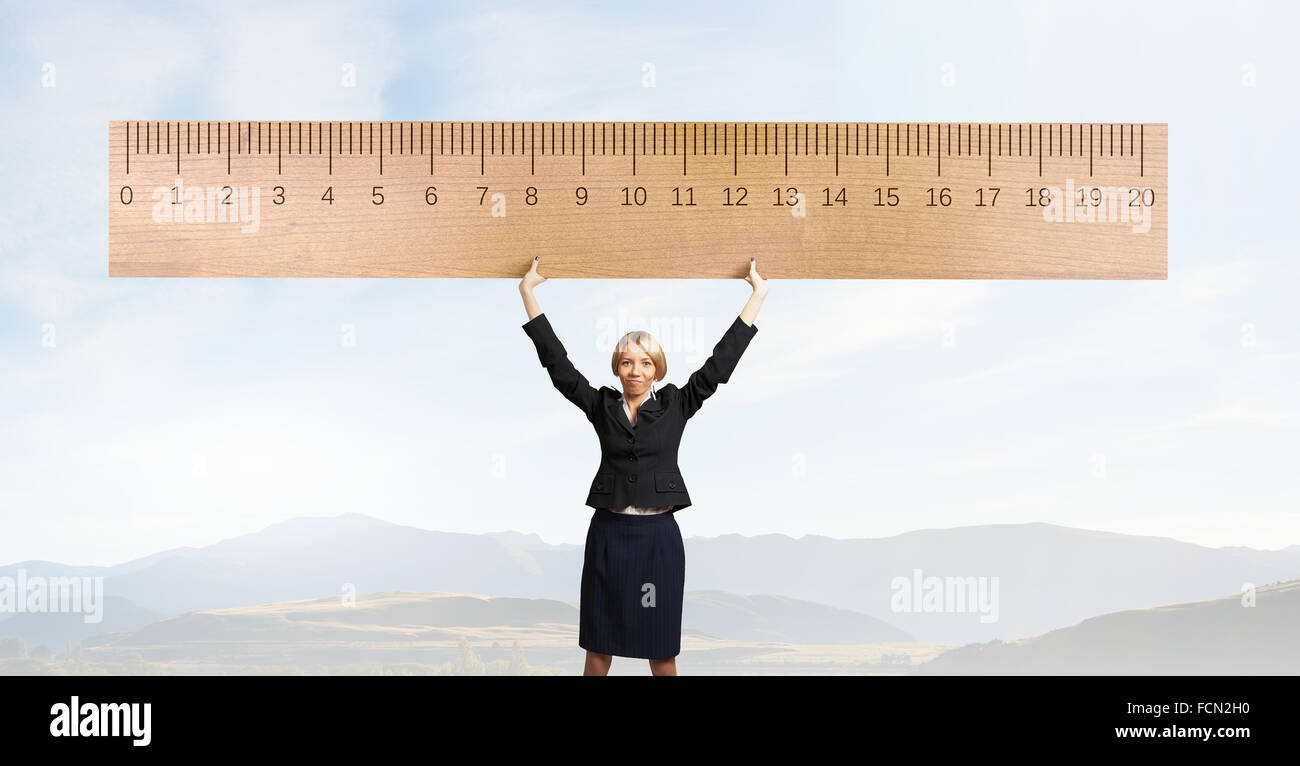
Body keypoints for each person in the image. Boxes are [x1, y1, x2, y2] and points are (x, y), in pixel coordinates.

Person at [519, 256, 768, 675]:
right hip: (609, 537)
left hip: (658, 542)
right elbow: (559, 368)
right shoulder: (599, 404)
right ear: (617, 367)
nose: (636, 370)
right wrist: (527, 294)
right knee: (598, 650)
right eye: (628, 362)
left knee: (661, 651)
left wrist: (757, 296)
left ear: (657, 368)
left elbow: (719, 365)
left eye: (646, 362)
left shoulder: (677, 404)